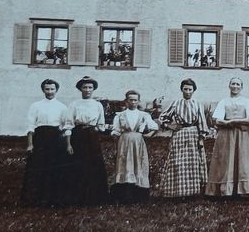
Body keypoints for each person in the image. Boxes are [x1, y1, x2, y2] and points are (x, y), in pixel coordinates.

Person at [19, 78, 73, 207]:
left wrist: (68, 144)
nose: (50, 92)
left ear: (56, 90)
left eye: (52, 89)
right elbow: (31, 125)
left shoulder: (62, 107)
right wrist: (30, 144)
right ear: (43, 90)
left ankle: (54, 198)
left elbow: (67, 127)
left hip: (55, 139)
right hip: (40, 139)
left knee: (55, 168)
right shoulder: (36, 106)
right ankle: (35, 198)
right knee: (38, 167)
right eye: (47, 89)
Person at [156, 78, 212, 199]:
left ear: (194, 90)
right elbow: (162, 117)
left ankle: (193, 192)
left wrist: (201, 137)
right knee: (177, 161)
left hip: (193, 134)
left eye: (190, 89)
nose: (187, 92)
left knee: (194, 162)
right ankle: (177, 191)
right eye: (185, 89)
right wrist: (169, 125)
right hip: (179, 134)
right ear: (181, 89)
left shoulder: (197, 104)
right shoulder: (176, 103)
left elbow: (202, 121)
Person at [205, 77, 249, 198]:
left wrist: (234, 120)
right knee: (226, 159)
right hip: (227, 134)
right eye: (233, 84)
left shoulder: (246, 101)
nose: (235, 86)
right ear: (229, 86)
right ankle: (226, 190)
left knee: (244, 160)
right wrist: (226, 123)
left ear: (241, 87)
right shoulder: (224, 101)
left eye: (238, 84)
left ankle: (245, 191)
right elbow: (217, 119)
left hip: (243, 134)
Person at [62, 76, 110, 205]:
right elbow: (68, 124)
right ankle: (77, 196)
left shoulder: (97, 105)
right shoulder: (74, 104)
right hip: (78, 135)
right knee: (77, 164)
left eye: (90, 87)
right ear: (80, 89)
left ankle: (95, 197)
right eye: (85, 87)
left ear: (93, 89)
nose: (87, 90)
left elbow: (101, 124)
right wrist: (68, 143)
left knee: (94, 164)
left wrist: (97, 131)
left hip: (92, 136)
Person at [110, 90, 159, 203]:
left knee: (138, 164)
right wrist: (116, 141)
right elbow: (115, 131)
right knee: (124, 164)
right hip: (124, 142)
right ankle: (124, 195)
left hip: (138, 141)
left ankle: (139, 195)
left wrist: (148, 135)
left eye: (135, 100)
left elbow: (154, 127)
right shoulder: (120, 115)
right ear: (126, 101)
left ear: (138, 101)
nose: (133, 102)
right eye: (130, 100)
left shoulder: (144, 115)